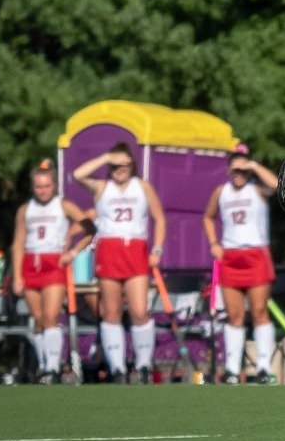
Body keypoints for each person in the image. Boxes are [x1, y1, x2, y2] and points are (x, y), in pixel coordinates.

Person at [72, 144, 167, 383]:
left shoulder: (142, 186)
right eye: (115, 165)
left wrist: (157, 249)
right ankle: (117, 368)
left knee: (139, 310)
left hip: (135, 248)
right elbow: (78, 174)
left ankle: (143, 365)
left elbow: (159, 218)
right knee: (111, 312)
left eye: (125, 164)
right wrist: (106, 156)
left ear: (132, 165)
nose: (120, 169)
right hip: (109, 249)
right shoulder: (102, 187)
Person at [10, 160, 92, 383]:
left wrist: (73, 252)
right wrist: (17, 276)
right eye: (38, 186)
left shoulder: (64, 206)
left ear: (54, 185)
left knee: (50, 316)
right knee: (38, 319)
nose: (42, 190)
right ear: (32, 187)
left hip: (54, 264)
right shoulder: (25, 210)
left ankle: (53, 368)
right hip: (31, 264)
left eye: (46, 186)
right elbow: (18, 244)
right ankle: (44, 365)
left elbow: (90, 229)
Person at [203, 148, 281, 384]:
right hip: (231, 256)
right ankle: (232, 370)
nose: (238, 173)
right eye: (234, 169)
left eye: (242, 169)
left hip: (256, 254)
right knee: (234, 315)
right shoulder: (222, 191)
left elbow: (276, 185)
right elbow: (208, 217)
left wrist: (253, 166)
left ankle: (264, 367)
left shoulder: (256, 189)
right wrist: (214, 243)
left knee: (259, 311)